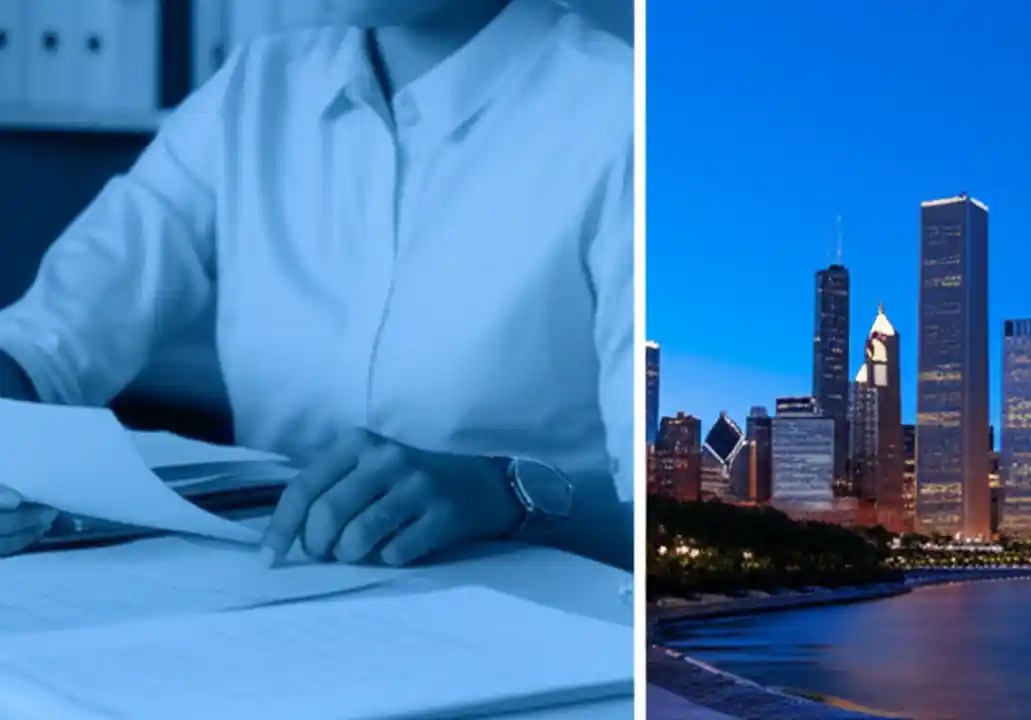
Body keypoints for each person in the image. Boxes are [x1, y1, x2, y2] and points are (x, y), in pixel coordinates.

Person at [0, 0, 633, 568]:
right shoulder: (256, 88)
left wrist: (507, 495)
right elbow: (48, 342)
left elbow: (681, 503)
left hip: (546, 635)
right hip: (272, 602)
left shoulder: (623, 115)